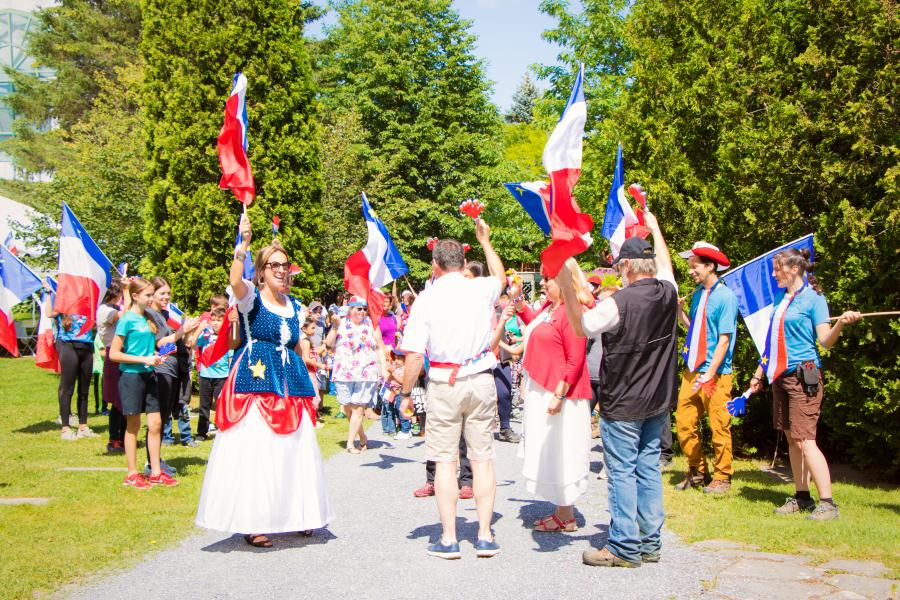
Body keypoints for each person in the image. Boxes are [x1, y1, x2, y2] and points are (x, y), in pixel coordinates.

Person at [196, 212, 333, 547]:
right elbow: (234, 282)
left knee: (294, 450)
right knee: (259, 450)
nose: (282, 270)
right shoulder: (251, 299)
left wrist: (312, 375)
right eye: (274, 265)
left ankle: (298, 514)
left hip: (290, 380)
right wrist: (242, 245)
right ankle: (254, 520)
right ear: (261, 271)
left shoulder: (295, 304)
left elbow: (299, 343)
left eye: (285, 264)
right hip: (257, 379)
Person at [559, 211, 677, 568]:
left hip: (624, 402)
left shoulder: (617, 304)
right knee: (648, 469)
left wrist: (566, 285)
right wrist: (656, 227)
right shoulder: (668, 292)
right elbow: (667, 265)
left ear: (625, 267)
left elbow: (581, 328)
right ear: (650, 266)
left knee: (623, 471)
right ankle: (650, 542)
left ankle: (624, 545)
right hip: (657, 400)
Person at [398, 219, 506, 560]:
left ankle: (449, 538)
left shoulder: (426, 299)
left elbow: (415, 353)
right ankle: (485, 535)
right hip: (480, 378)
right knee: (482, 458)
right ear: (462, 262)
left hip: (445, 382)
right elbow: (501, 278)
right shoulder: (480, 288)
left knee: (445, 461)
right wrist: (486, 242)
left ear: (436, 265)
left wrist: (404, 394)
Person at [747, 248, 861, 521]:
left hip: (803, 378)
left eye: (777, 269)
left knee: (806, 440)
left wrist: (841, 323)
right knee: (792, 439)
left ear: (794, 269)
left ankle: (828, 503)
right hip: (780, 378)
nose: (774, 274)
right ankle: (802, 497)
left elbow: (825, 341)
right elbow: (771, 343)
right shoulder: (781, 298)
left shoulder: (814, 300)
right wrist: (759, 374)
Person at [512, 260, 593, 532]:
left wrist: (559, 394)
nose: (544, 283)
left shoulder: (572, 311)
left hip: (562, 395)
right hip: (544, 389)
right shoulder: (550, 308)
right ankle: (561, 510)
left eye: (549, 278)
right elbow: (536, 327)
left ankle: (566, 514)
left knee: (562, 452)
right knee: (549, 451)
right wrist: (520, 306)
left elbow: (576, 357)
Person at [674, 242, 739, 494]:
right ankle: (697, 471)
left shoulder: (726, 297)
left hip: (715, 373)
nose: (691, 271)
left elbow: (724, 338)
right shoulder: (699, 294)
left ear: (710, 266)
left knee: (718, 424)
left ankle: (722, 476)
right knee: (684, 421)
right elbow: (696, 329)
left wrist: (710, 373)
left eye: (694, 266)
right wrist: (681, 314)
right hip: (692, 370)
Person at [109, 277, 171, 489]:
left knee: (155, 424)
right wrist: (143, 359)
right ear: (135, 296)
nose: (151, 297)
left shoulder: (148, 318)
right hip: (131, 377)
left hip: (149, 375)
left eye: (152, 294)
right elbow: (114, 354)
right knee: (133, 425)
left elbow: (146, 348)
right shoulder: (126, 320)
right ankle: (132, 473)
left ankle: (155, 472)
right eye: (148, 294)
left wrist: (154, 356)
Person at [325, 295, 388, 454]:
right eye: (358, 309)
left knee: (358, 409)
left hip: (366, 372)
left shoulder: (372, 325)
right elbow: (328, 343)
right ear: (351, 310)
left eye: (364, 309)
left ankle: (350, 444)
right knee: (347, 409)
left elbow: (380, 347)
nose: (362, 312)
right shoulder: (341, 323)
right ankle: (362, 435)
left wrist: (384, 368)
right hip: (343, 372)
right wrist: (334, 326)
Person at [145, 278, 200, 457]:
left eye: (169, 293)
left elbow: (174, 343)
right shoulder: (150, 315)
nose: (167, 297)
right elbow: (160, 343)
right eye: (162, 293)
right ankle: (152, 463)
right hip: (160, 370)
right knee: (157, 421)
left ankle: (156, 461)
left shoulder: (163, 315)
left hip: (171, 370)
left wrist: (189, 333)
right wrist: (182, 330)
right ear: (151, 295)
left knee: (162, 419)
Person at [194, 307, 234, 440]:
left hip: (222, 376)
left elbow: (230, 358)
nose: (216, 323)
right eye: (213, 320)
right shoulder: (205, 336)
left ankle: (222, 428)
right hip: (205, 375)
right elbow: (193, 344)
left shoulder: (227, 337)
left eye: (219, 320)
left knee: (221, 403)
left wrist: (230, 376)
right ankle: (201, 432)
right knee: (204, 405)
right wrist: (199, 329)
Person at [96, 280, 126, 453]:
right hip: (114, 355)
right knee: (117, 400)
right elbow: (126, 315)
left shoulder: (116, 308)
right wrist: (129, 292)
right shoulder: (104, 310)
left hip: (124, 355)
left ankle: (124, 437)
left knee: (125, 399)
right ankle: (114, 439)